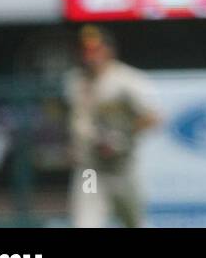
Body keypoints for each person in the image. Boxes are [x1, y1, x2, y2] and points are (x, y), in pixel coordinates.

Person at [64, 26, 160, 228]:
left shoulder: (127, 80)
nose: (90, 55)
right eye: (85, 50)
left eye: (95, 49)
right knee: (85, 225)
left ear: (108, 50)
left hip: (121, 168)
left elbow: (152, 118)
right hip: (91, 169)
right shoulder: (73, 80)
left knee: (133, 223)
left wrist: (122, 137)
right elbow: (76, 121)